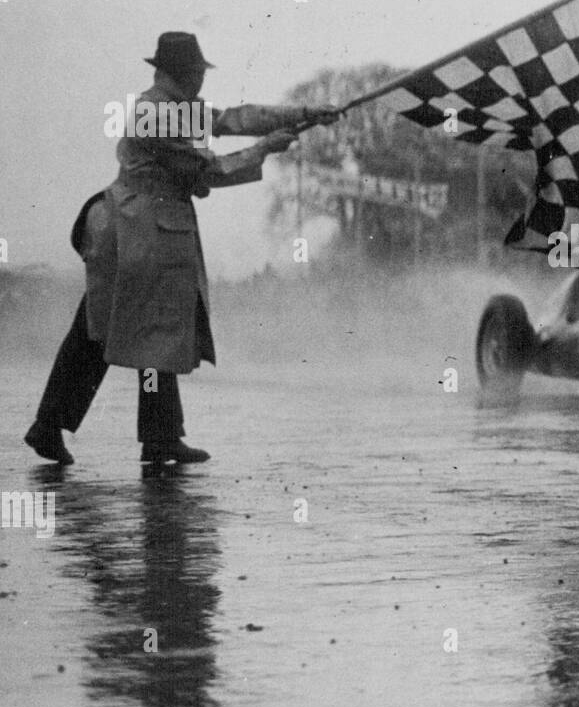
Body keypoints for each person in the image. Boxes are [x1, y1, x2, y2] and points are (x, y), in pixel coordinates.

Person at [24, 32, 342, 467]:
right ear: (182, 73)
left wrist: (305, 114)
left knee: (135, 334)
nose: (200, 82)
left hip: (137, 230)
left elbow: (232, 119)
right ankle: (100, 431)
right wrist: (266, 148)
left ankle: (147, 436)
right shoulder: (159, 113)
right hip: (135, 234)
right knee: (123, 335)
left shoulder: (165, 105)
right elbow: (207, 170)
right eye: (196, 73)